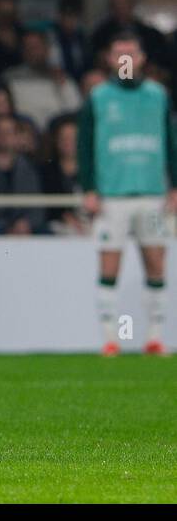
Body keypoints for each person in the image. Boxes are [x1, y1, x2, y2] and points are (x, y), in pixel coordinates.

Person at [79, 32, 173, 356]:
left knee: (156, 262)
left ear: (142, 58)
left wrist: (175, 186)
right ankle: (110, 338)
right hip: (112, 196)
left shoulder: (158, 95)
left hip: (152, 194)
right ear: (109, 59)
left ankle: (155, 336)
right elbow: (85, 146)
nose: (125, 60)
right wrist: (89, 188)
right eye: (119, 54)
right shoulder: (99, 97)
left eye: (130, 54)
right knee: (109, 265)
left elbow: (171, 142)